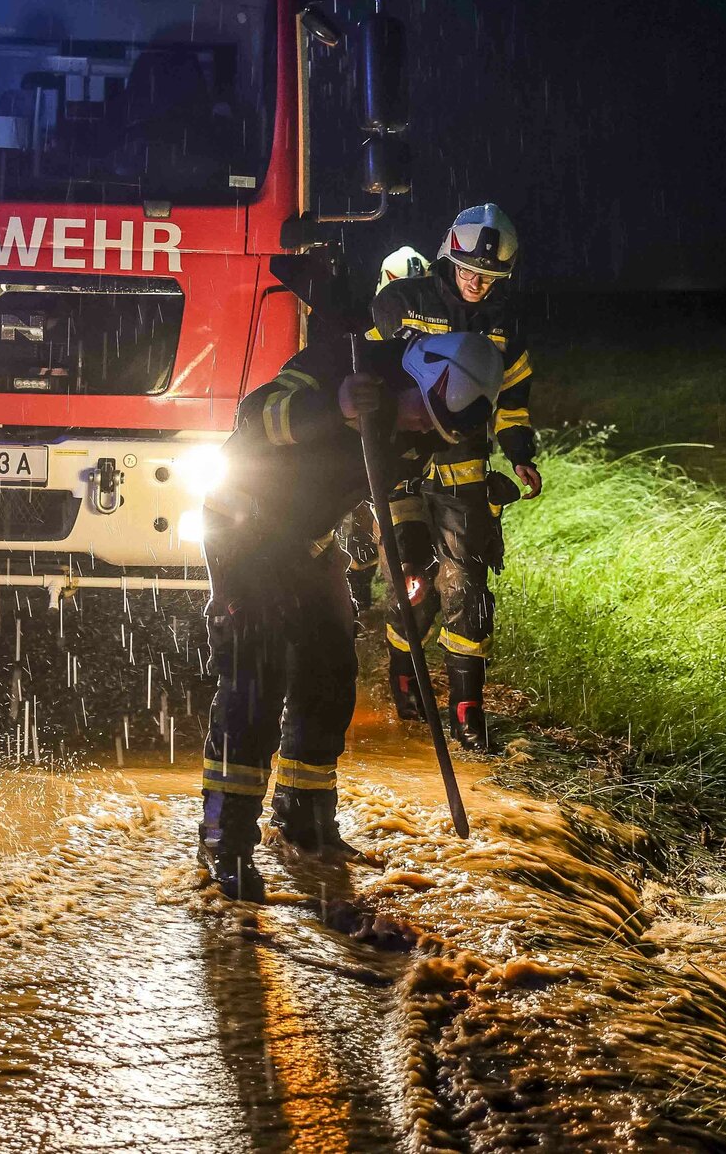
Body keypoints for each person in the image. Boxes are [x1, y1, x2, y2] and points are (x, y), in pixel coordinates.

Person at [197, 330, 504, 901]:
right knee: (254, 679)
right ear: (415, 375)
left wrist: (409, 552)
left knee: (330, 670)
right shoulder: (344, 362)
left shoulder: (428, 417)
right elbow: (255, 414)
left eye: (433, 430)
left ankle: (304, 819)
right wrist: (333, 405)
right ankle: (226, 842)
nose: (419, 430)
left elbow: (396, 489)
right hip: (244, 530)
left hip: (308, 542)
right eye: (421, 417)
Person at [367, 202, 539, 752]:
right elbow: (359, 371)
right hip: (401, 468)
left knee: (467, 588)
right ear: (448, 256)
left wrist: (519, 453)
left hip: (464, 467)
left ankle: (467, 712)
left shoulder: (504, 324)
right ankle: (405, 681)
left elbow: (511, 398)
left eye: (489, 277)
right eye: (468, 270)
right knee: (413, 580)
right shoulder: (405, 302)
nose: (476, 282)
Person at [342, 245, 434, 613]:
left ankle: (386, 581)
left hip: (406, 459)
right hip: (364, 453)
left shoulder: (430, 343)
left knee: (402, 517)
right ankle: (359, 592)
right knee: (358, 525)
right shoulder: (362, 343)